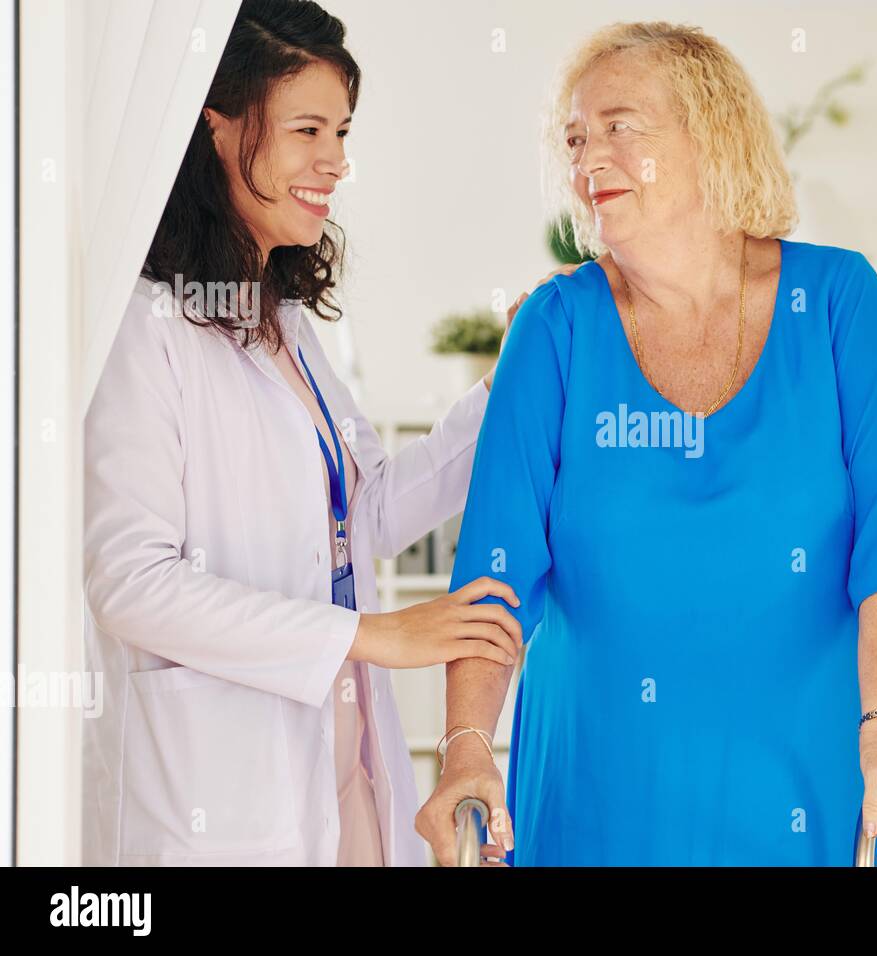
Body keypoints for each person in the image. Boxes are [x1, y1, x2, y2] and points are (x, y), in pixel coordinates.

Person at [418, 21, 877, 866]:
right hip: (590, 803)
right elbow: (493, 574)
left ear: (713, 135)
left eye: (620, 127)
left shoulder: (840, 301)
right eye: (575, 138)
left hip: (796, 794)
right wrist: (465, 746)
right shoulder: (555, 330)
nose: (589, 157)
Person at [81, 0, 561, 866]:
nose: (336, 161)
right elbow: (130, 583)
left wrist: (505, 383)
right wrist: (369, 637)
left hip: (342, 774)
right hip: (219, 796)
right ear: (218, 127)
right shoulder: (144, 326)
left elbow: (368, 513)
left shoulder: (285, 322)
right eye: (309, 129)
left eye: (341, 131)